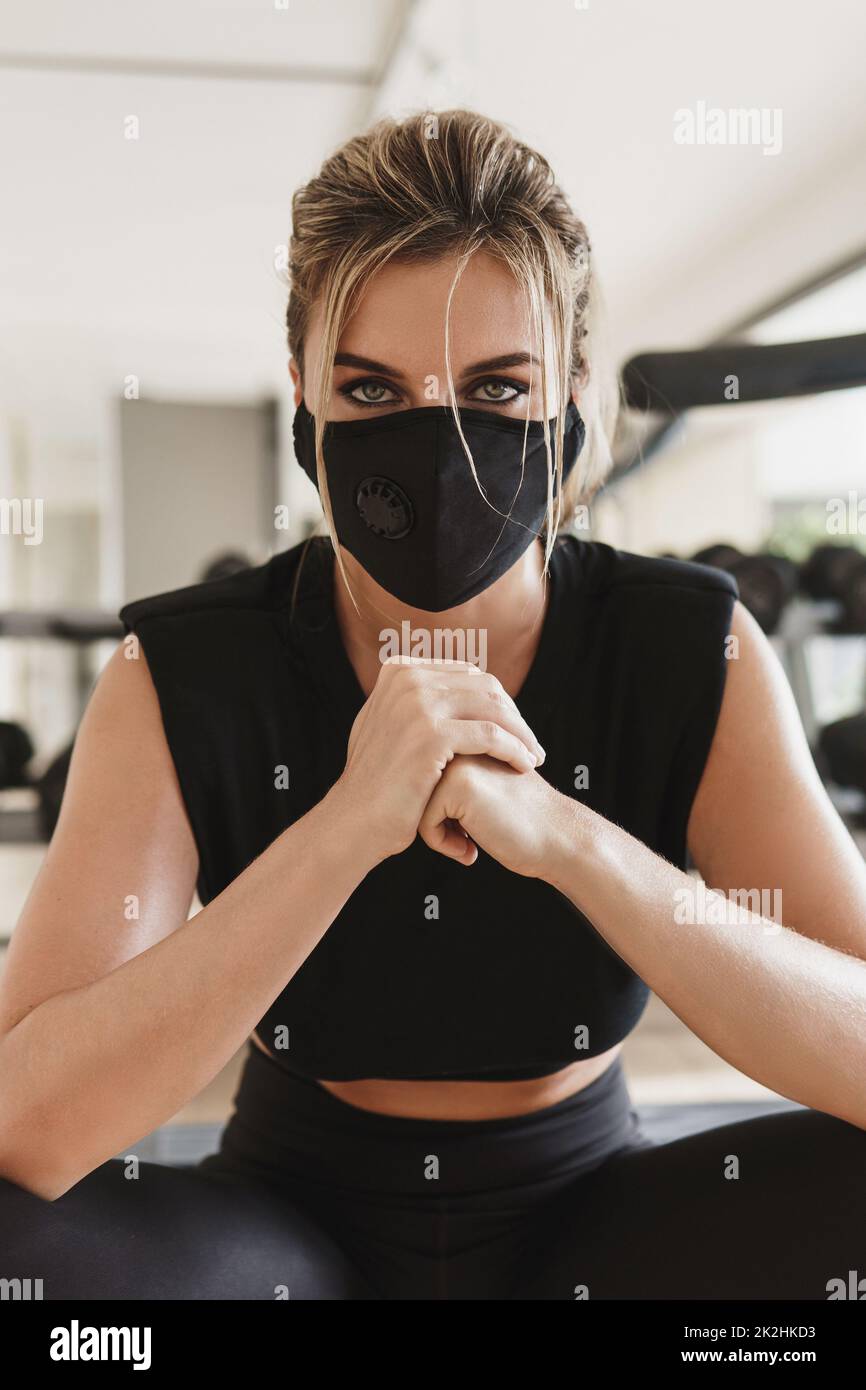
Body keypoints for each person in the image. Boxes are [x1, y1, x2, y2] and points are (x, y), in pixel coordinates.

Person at [1, 110, 865, 1302]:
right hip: (283, 1249)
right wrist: (348, 823)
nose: (433, 446)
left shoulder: (687, 645)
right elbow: (26, 1128)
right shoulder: (186, 669)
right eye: (371, 387)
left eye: (494, 388)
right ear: (302, 388)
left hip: (601, 1243)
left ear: (564, 393)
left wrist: (574, 843)